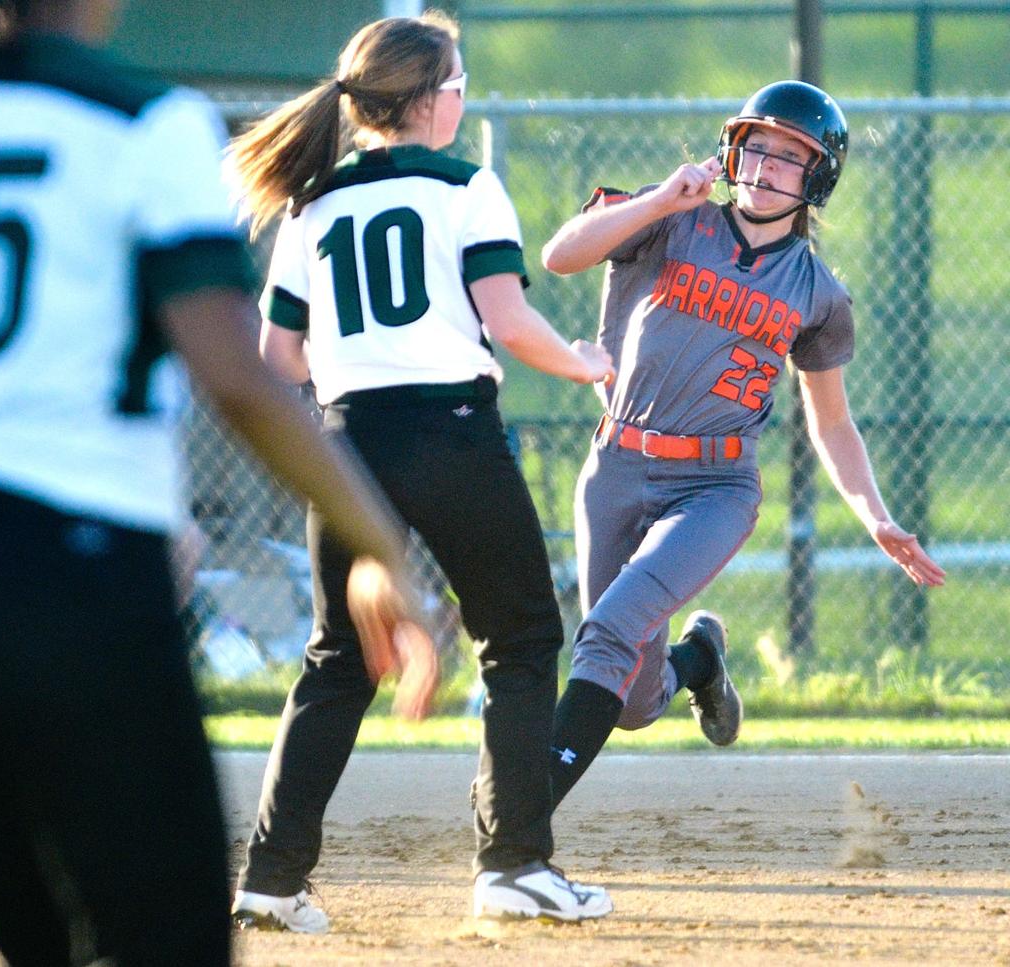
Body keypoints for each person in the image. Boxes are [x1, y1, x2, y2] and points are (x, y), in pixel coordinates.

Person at [0, 1, 422, 963]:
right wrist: (379, 541)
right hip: (77, 578)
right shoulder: (143, 121)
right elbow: (238, 379)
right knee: (165, 942)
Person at [228, 11, 617, 932]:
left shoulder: (311, 200)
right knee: (519, 641)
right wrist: (587, 361)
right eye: (457, 86)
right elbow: (512, 324)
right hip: (450, 431)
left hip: (346, 440)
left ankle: (270, 879)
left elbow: (277, 356)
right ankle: (514, 863)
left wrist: (359, 378)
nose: (462, 101)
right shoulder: (465, 185)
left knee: (333, 661)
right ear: (428, 100)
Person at [539, 80, 947, 808]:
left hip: (713, 489)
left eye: (789, 157)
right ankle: (699, 660)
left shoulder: (818, 292)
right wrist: (662, 198)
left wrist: (874, 513)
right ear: (732, 149)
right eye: (755, 146)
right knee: (632, 702)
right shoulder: (671, 217)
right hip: (616, 467)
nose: (764, 166)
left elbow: (831, 423)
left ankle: (520, 813)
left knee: (607, 629)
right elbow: (560, 254)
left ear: (818, 179)